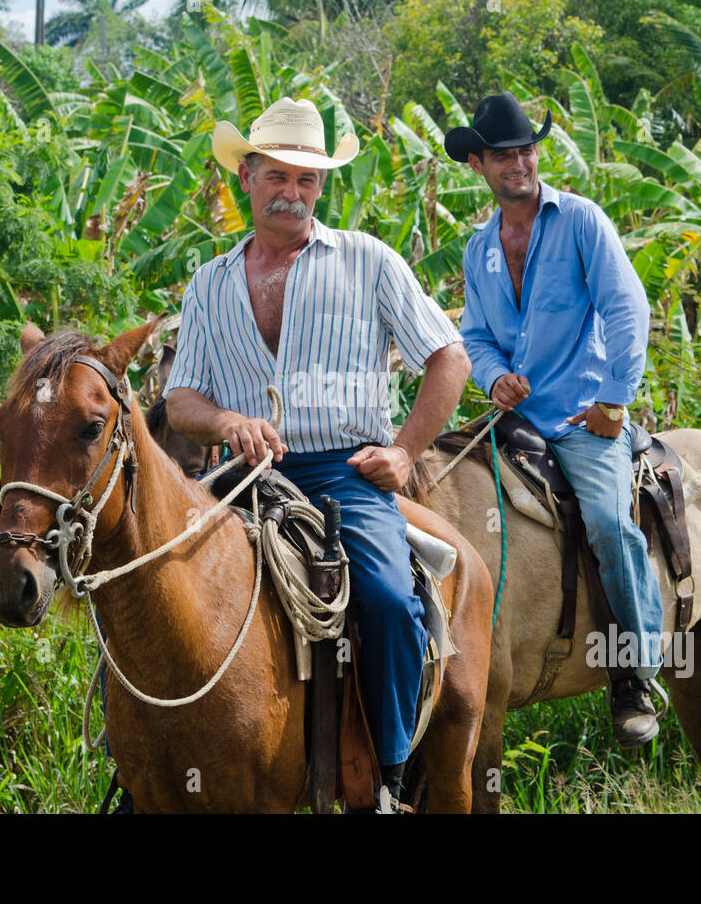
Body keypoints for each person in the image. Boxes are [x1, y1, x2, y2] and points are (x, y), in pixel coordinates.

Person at [164, 97, 471, 805]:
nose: (292, 193)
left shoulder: (367, 260)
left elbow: (447, 357)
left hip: (345, 472)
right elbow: (181, 399)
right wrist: (228, 420)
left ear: (320, 188)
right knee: (149, 580)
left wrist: (402, 452)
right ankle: (143, 764)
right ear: (246, 176)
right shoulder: (210, 282)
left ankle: (390, 778)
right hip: (242, 475)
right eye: (278, 176)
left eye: (307, 180)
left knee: (393, 600)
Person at [446, 91, 663, 746]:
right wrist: (492, 375)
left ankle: (635, 672)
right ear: (479, 164)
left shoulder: (581, 221)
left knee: (605, 520)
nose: (519, 162)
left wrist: (615, 401)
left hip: (581, 416)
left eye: (527, 149)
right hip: (511, 419)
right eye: (504, 154)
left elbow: (628, 308)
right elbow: (475, 335)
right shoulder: (478, 249)